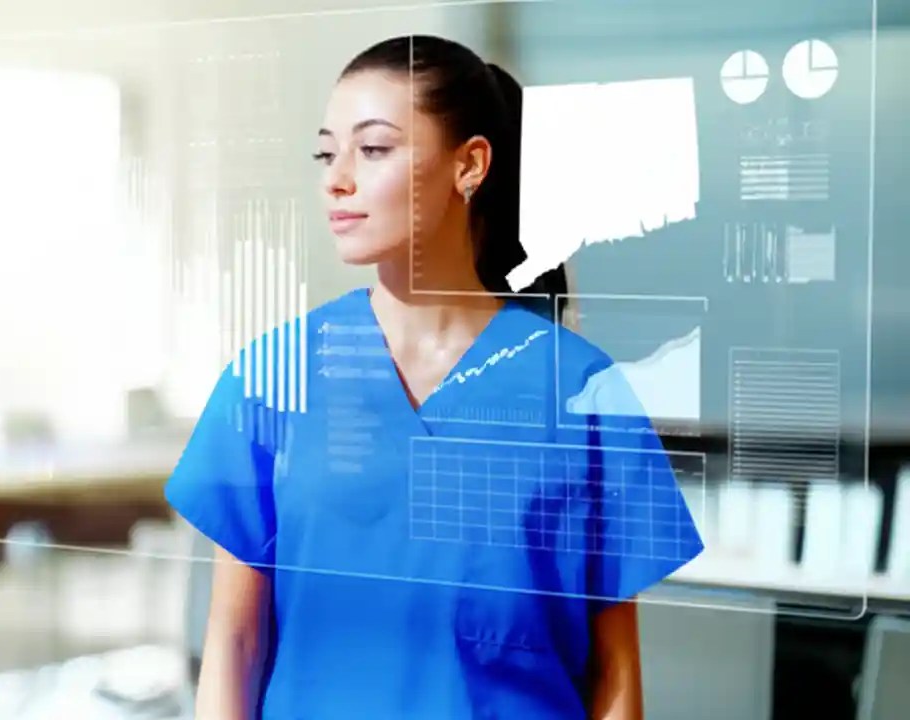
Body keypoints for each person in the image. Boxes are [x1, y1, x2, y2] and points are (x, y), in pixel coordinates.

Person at [166, 35, 703, 719]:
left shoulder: (581, 393)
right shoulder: (275, 379)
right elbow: (232, 645)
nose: (337, 178)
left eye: (375, 149)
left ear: (469, 166)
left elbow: (616, 678)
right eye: (327, 153)